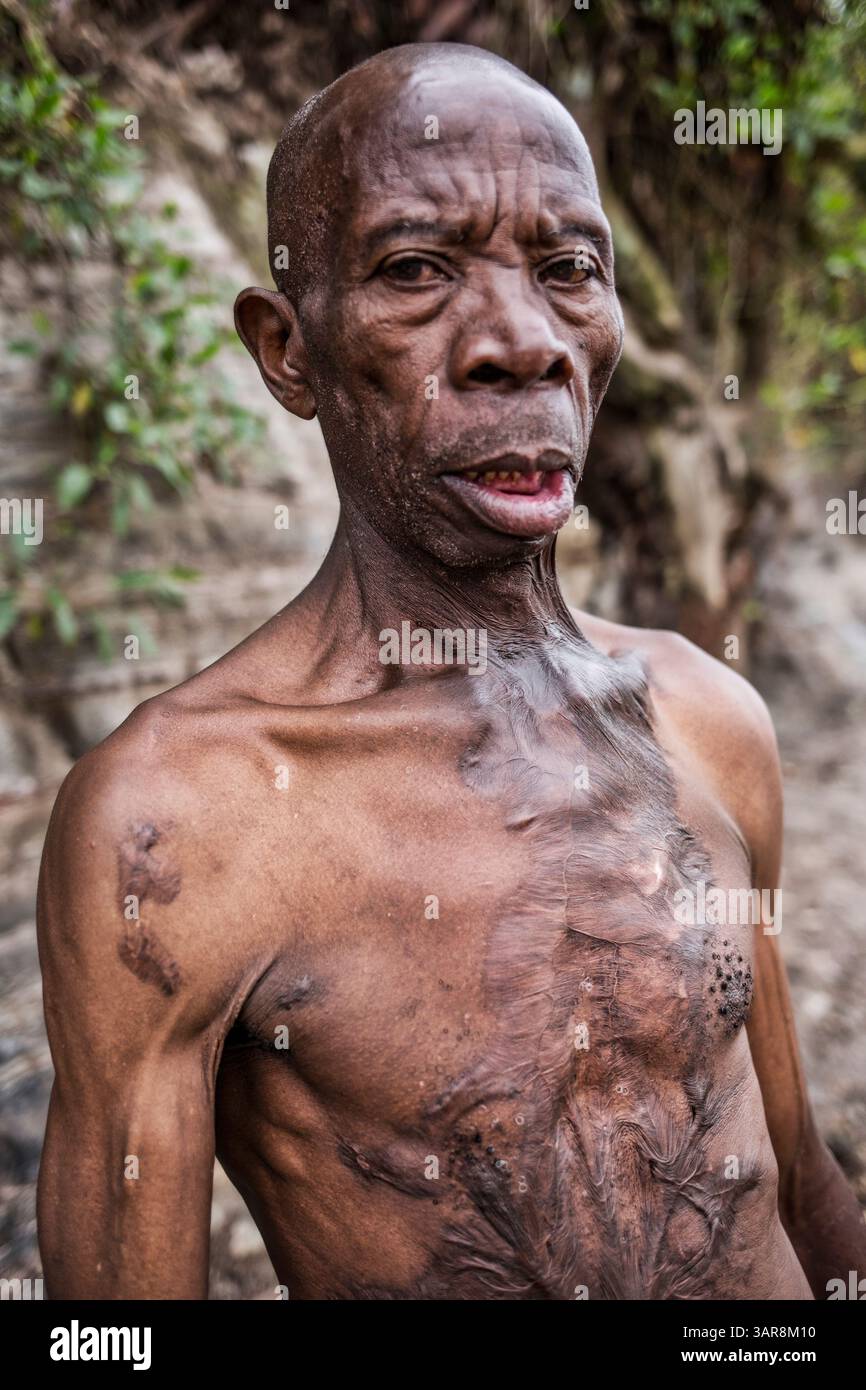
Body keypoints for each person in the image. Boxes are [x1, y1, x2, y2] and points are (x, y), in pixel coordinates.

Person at [37, 43, 866, 1300]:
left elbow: (794, 1180)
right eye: (414, 272)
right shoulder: (177, 823)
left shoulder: (705, 718)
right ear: (287, 349)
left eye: (567, 271)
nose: (518, 343)